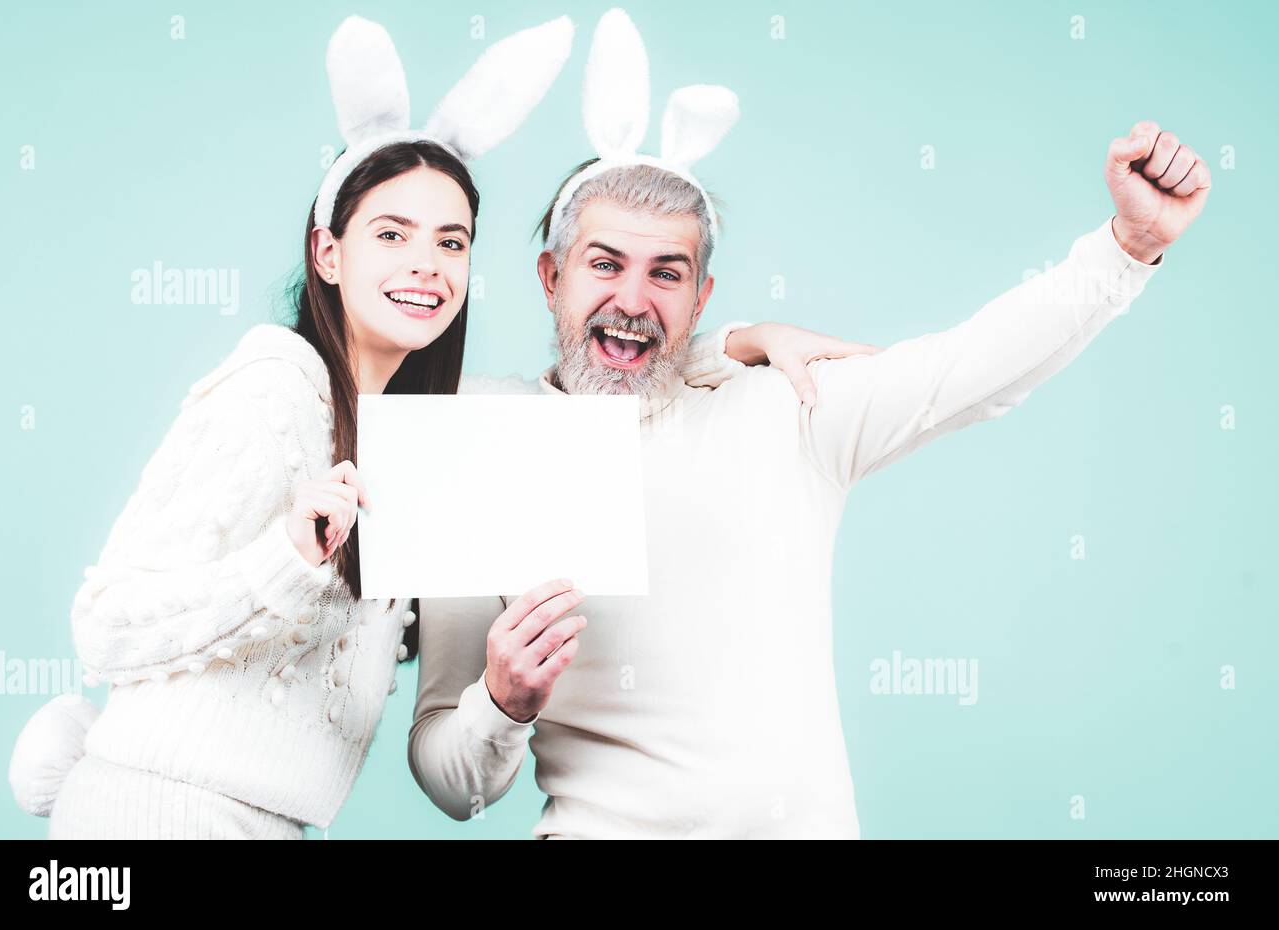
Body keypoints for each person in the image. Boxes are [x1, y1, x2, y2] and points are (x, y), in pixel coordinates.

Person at [6, 14, 873, 839]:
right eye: (393, 233)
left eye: (452, 242)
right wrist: (286, 559)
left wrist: (733, 344)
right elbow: (105, 624)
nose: (425, 264)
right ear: (328, 253)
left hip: (273, 821)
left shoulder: (418, 436)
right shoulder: (276, 385)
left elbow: (627, 356)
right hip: (162, 815)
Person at [407, 9, 1210, 839]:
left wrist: (1127, 248)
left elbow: (972, 369)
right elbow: (450, 780)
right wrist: (501, 705)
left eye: (667, 273)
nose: (633, 301)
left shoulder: (783, 405)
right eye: (604, 264)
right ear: (550, 275)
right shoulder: (479, 442)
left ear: (702, 297)